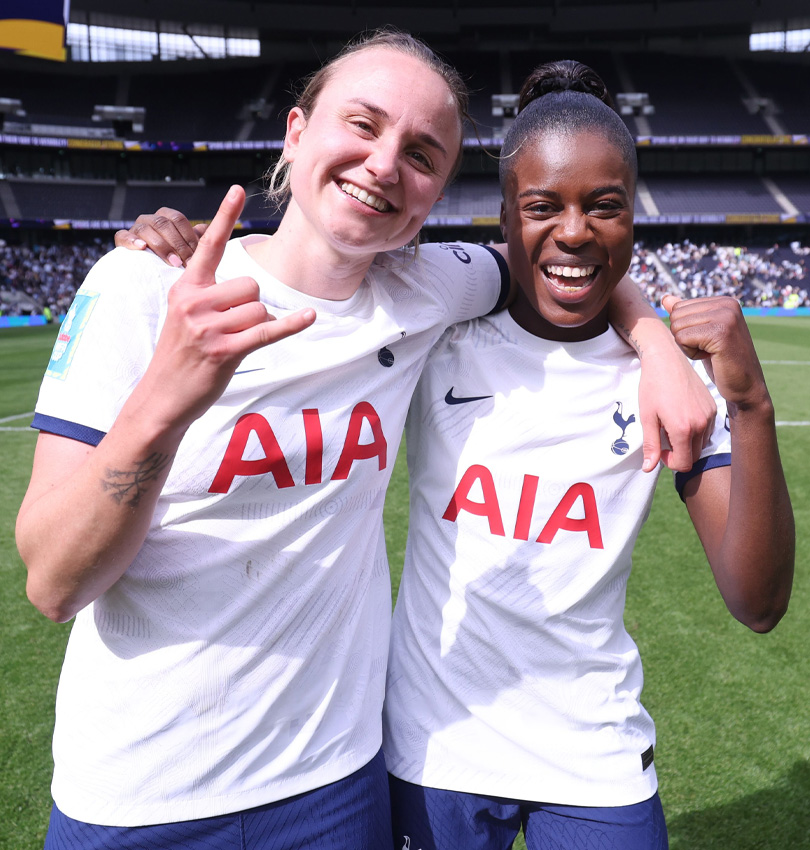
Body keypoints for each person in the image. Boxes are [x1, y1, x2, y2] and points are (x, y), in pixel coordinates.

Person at [19, 32, 714, 850]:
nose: (385, 165)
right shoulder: (146, 287)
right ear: (296, 131)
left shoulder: (428, 287)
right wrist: (161, 408)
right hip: (136, 793)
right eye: (363, 124)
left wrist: (657, 345)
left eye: (421, 155)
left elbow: (569, 254)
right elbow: (55, 585)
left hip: (335, 786)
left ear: (436, 194)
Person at [379, 61, 794, 849]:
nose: (574, 232)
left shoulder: (673, 380)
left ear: (633, 214)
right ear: (506, 215)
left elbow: (758, 602)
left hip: (593, 754)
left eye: (605, 206)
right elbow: (311, 274)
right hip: (435, 746)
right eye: (543, 206)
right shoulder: (440, 331)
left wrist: (751, 407)